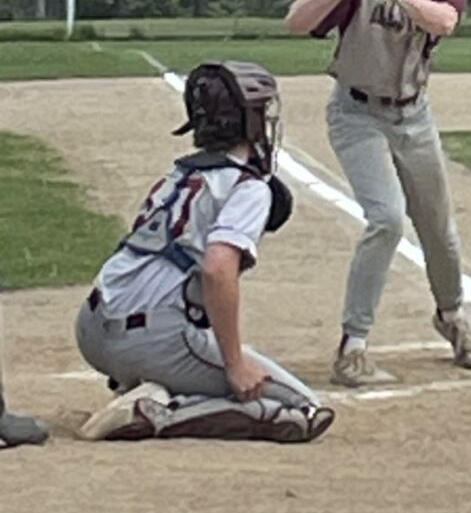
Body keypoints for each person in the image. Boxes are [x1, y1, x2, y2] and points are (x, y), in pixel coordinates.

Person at [284, 0, 471, 387]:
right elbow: (297, 21)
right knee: (386, 219)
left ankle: (452, 317)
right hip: (357, 115)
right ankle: (353, 347)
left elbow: (444, 21)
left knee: (439, 230)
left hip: (413, 114)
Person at [74, 61, 333, 443]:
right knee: (302, 410)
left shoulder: (177, 175)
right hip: (150, 341)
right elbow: (217, 270)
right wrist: (235, 366)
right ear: (248, 120)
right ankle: (159, 412)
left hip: (91, 330)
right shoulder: (248, 187)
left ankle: (149, 387)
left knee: (188, 325)